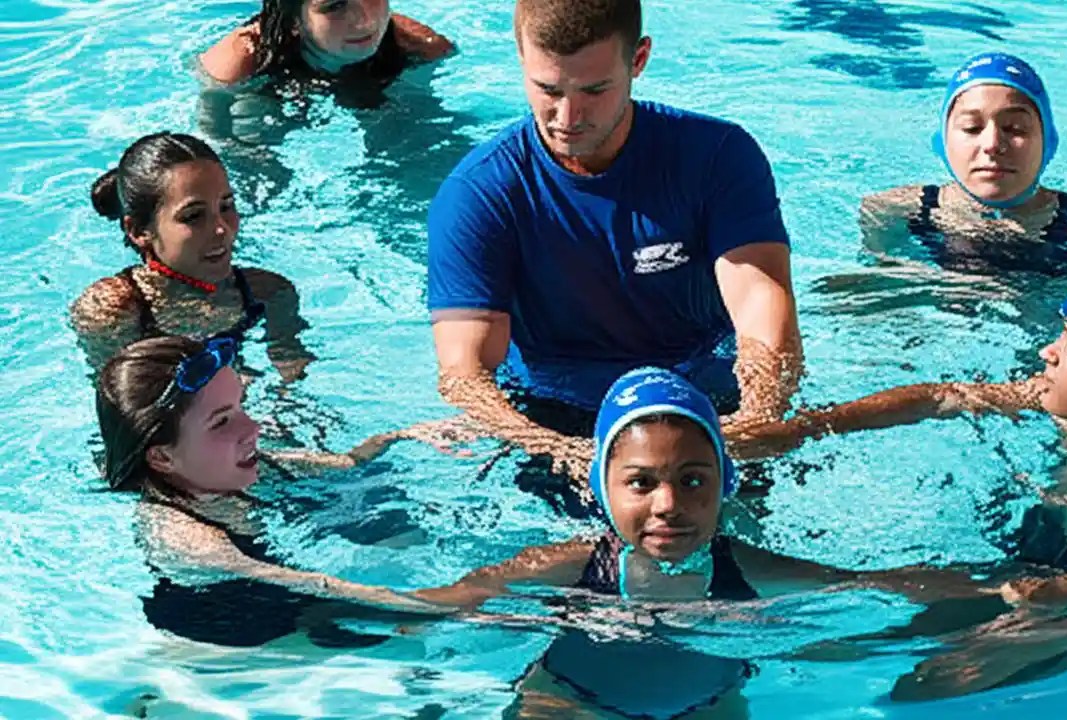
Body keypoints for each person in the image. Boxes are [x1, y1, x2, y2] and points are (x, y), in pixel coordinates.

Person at [410, 368, 974, 717]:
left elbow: (870, 587)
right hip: (565, 703)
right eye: (640, 483)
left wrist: (1003, 592)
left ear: (725, 482)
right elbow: (440, 604)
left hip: (708, 707)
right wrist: (324, 595)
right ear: (602, 492)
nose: (668, 504)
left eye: (693, 480)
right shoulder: (571, 565)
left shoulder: (746, 567)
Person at [427, 0, 802, 505]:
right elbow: (464, 372)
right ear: (519, 57)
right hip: (558, 414)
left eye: (594, 90)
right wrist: (563, 450)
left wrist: (756, 419)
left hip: (700, 399)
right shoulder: (480, 193)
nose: (567, 117)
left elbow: (762, 308)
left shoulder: (717, 157)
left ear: (639, 60)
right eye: (548, 90)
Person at [734, 258, 1067, 613]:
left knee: (936, 682)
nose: (1048, 354)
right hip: (1035, 538)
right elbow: (943, 396)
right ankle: (827, 583)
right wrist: (804, 429)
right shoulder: (1046, 394)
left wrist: (1064, 595)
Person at [97, 334, 446, 647]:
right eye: (222, 421)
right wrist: (448, 608)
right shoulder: (184, 535)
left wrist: (404, 436)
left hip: (290, 596)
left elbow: (348, 463)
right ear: (161, 457)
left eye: (240, 409)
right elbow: (317, 584)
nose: (254, 427)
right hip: (238, 631)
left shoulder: (243, 467)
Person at [857, 52, 1067, 279]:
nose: (992, 144)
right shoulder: (893, 212)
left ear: (1048, 142)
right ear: (943, 141)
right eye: (972, 127)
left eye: (1014, 128)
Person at [70, 133, 314, 380]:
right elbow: (120, 407)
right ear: (138, 231)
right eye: (193, 216)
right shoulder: (115, 310)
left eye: (226, 206)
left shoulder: (269, 294)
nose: (221, 229)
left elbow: (293, 379)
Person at [199, 0, 454, 88]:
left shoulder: (421, 48)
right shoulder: (239, 64)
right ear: (294, 21)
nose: (366, 21)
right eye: (335, 5)